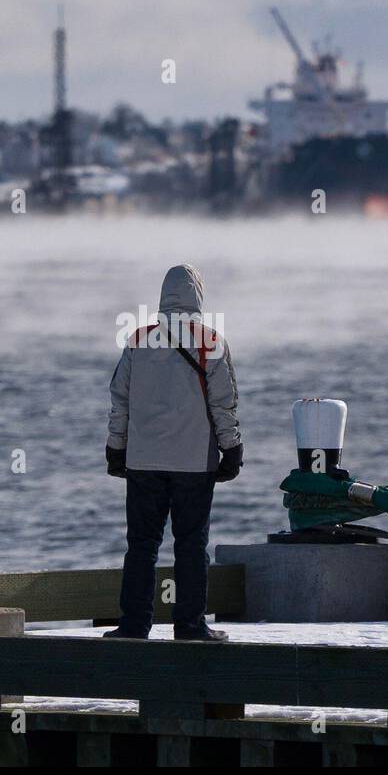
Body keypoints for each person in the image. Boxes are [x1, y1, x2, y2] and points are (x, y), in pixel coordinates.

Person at [105, 264, 242, 642]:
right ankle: (191, 626)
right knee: (191, 546)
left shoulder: (138, 339)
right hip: (193, 464)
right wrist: (231, 450)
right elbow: (223, 404)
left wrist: (116, 449)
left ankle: (134, 627)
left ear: (164, 295)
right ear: (198, 295)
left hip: (144, 463)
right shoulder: (209, 340)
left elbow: (120, 402)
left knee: (142, 546)